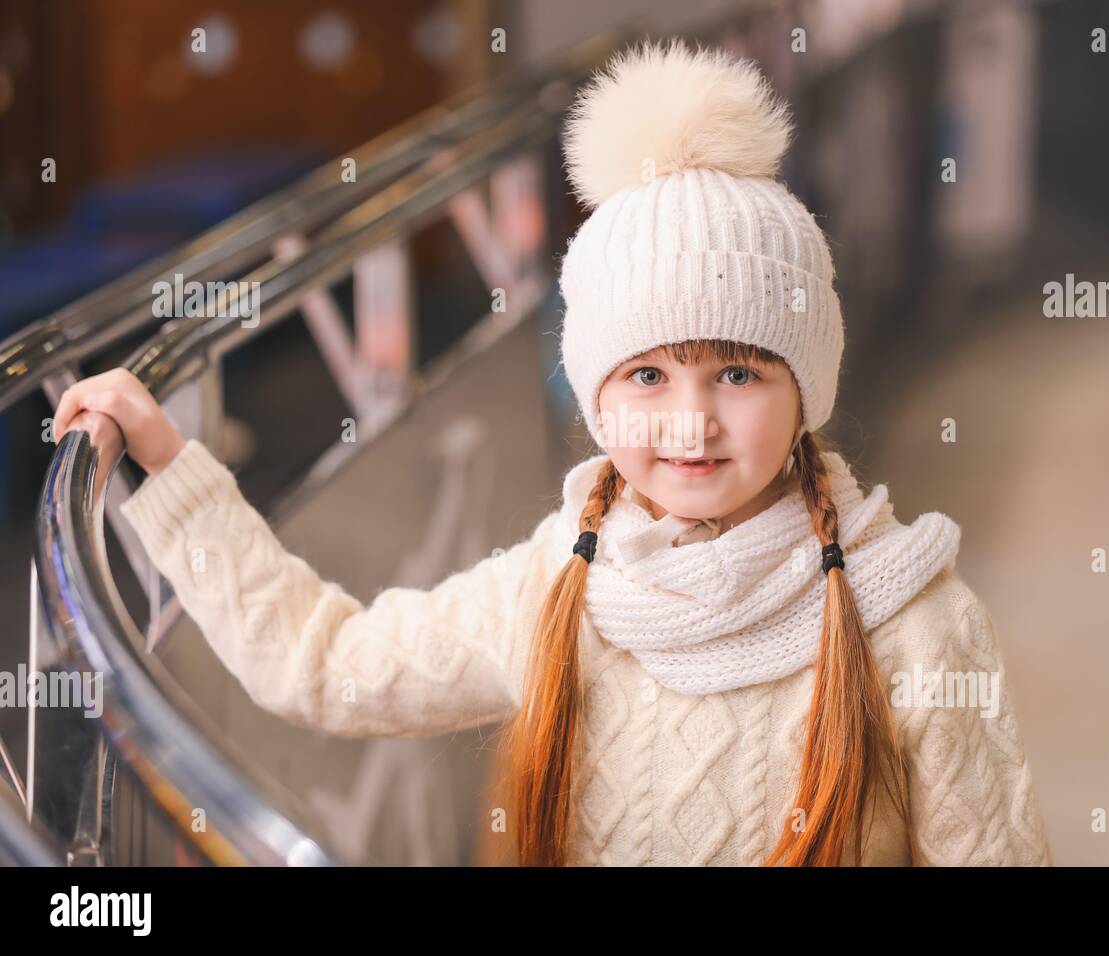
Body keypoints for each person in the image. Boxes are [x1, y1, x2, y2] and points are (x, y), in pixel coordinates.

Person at [52, 38, 1051, 867]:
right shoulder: (555, 588)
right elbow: (327, 664)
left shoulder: (913, 621)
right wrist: (168, 461)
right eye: (647, 375)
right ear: (593, 389)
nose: (690, 423)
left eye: (739, 373)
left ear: (808, 388)